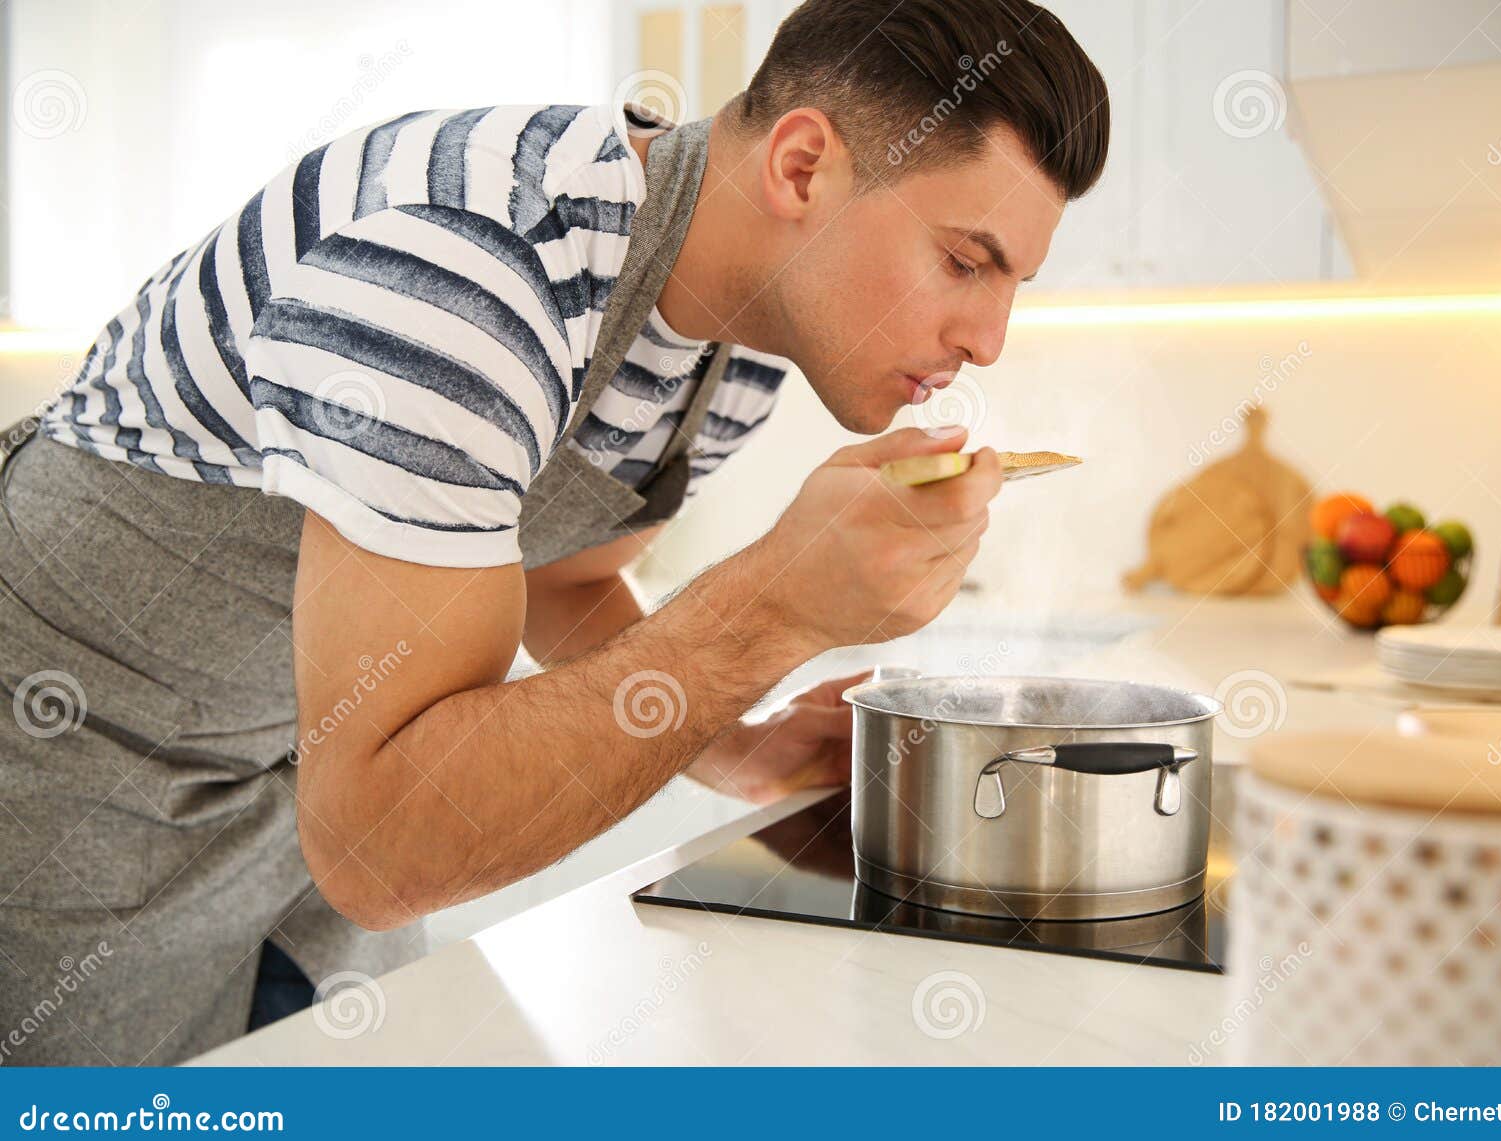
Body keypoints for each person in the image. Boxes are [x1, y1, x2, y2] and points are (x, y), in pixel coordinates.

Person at [0, 0, 1109, 1064]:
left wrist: (734, 742)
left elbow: (561, 578)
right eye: (965, 261)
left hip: (295, 798)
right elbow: (381, 845)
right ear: (803, 166)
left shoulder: (741, 354)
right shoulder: (464, 268)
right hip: (68, 768)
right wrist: (773, 608)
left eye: (1012, 280)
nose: (990, 339)